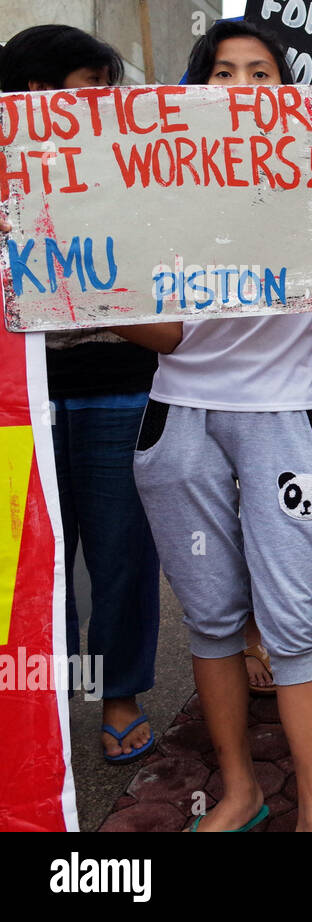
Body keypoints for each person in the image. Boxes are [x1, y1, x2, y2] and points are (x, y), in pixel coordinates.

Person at [115, 19, 312, 832]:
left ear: (287, 93)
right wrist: (89, 293)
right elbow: (166, 338)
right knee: (215, 619)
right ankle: (241, 791)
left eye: (259, 72)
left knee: (294, 622)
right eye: (222, 72)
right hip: (180, 421)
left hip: (284, 424)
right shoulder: (159, 198)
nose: (240, 87)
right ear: (196, 93)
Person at [1, 25, 161, 763]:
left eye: (103, 86)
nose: (96, 101)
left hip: (121, 388)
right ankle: (55, 697)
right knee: (35, 560)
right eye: (80, 87)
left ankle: (118, 693)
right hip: (19, 400)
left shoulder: (129, 167)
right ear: (29, 92)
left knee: (123, 555)